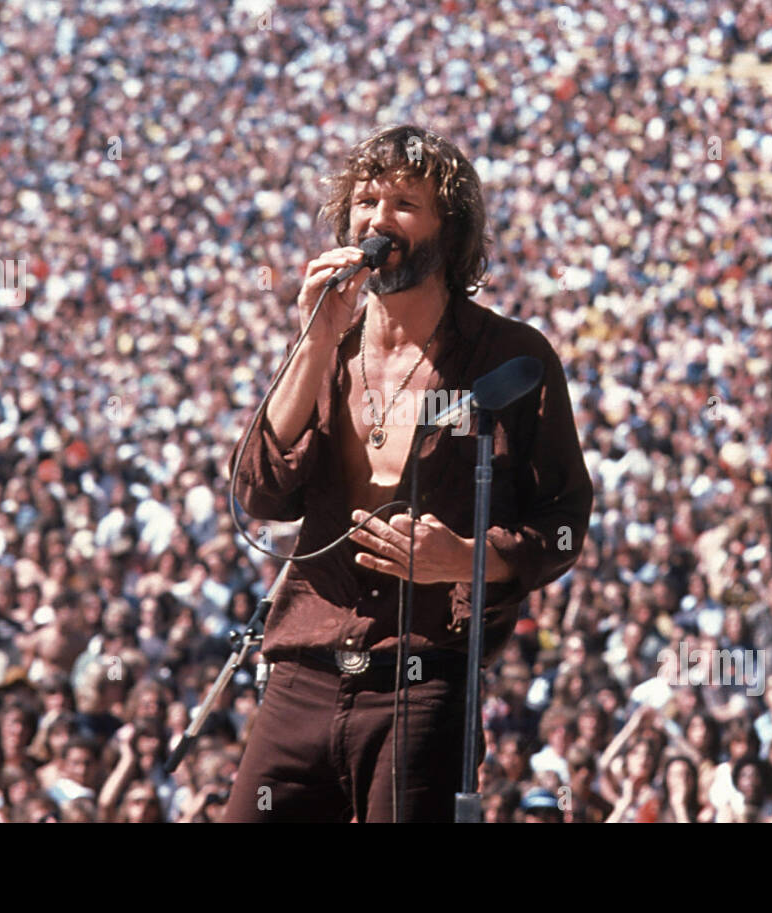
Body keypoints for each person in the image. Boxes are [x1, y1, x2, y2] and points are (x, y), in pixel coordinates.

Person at [223, 125, 593, 823]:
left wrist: (470, 559)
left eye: (403, 203)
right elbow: (259, 491)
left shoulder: (512, 356)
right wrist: (315, 339)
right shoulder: (329, 345)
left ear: (448, 231)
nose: (376, 219)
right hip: (303, 672)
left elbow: (566, 520)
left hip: (423, 682)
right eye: (365, 200)